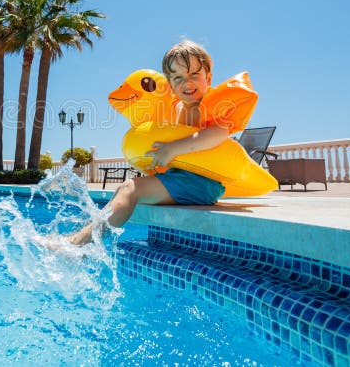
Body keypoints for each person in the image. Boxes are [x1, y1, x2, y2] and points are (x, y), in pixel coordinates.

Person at [69, 39, 232, 245]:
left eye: (194, 74)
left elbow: (219, 133)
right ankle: (80, 237)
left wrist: (173, 149)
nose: (186, 82)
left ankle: (80, 244)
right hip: (184, 179)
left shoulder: (210, 106)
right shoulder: (177, 109)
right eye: (178, 77)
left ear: (208, 78)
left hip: (202, 183)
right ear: (170, 86)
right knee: (123, 189)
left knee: (130, 189)